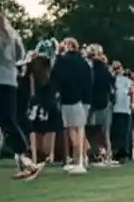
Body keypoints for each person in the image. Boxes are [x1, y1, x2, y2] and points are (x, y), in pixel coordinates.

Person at [0, 0, 41, 179]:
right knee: (9, 121)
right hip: (9, 81)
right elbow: (20, 55)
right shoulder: (11, 31)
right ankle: (25, 159)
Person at [51, 37, 93, 173]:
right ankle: (80, 159)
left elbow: (54, 77)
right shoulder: (84, 62)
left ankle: (78, 160)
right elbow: (89, 80)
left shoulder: (62, 60)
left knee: (72, 129)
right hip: (82, 99)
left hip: (67, 98)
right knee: (80, 128)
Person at [26, 40, 62, 166]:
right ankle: (48, 155)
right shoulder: (50, 65)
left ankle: (37, 156)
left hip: (39, 101)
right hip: (48, 101)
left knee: (35, 129)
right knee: (48, 130)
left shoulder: (34, 65)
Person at [85, 44, 116, 166]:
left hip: (92, 102)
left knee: (89, 130)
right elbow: (112, 84)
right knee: (104, 131)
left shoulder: (89, 67)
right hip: (104, 102)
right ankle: (107, 155)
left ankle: (93, 153)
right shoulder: (104, 68)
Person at [110, 61, 133, 163]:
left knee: (123, 132)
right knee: (119, 132)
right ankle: (118, 152)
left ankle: (125, 152)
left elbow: (132, 92)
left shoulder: (126, 80)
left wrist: (132, 103)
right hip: (116, 109)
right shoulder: (112, 80)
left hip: (123, 108)